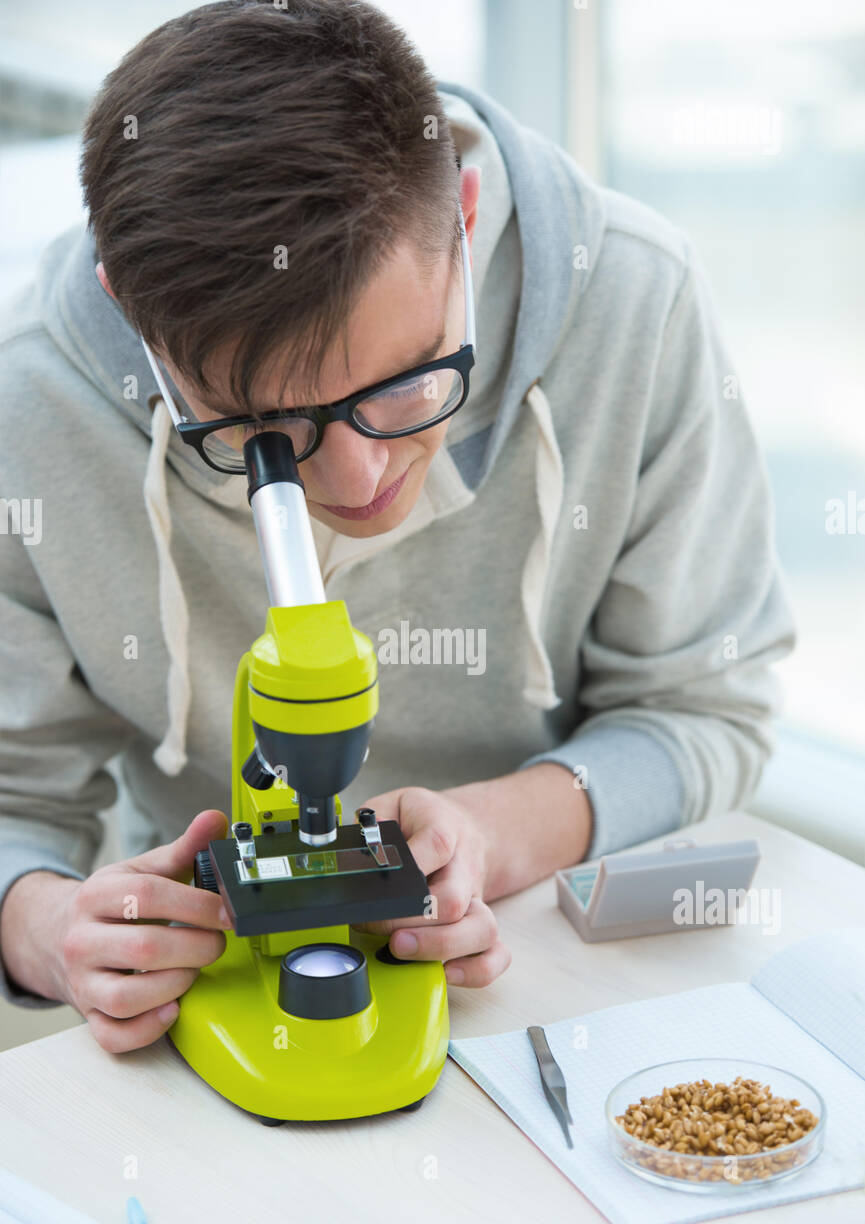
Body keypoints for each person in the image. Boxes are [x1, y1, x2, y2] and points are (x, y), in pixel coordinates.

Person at [0, 0, 794, 1052]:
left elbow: (707, 709)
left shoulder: (635, 303)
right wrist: (48, 928)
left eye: (406, 385)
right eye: (262, 427)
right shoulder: (30, 403)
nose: (358, 475)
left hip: (552, 971)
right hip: (215, 997)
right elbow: (17, 796)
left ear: (461, 219)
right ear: (132, 311)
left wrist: (493, 833)